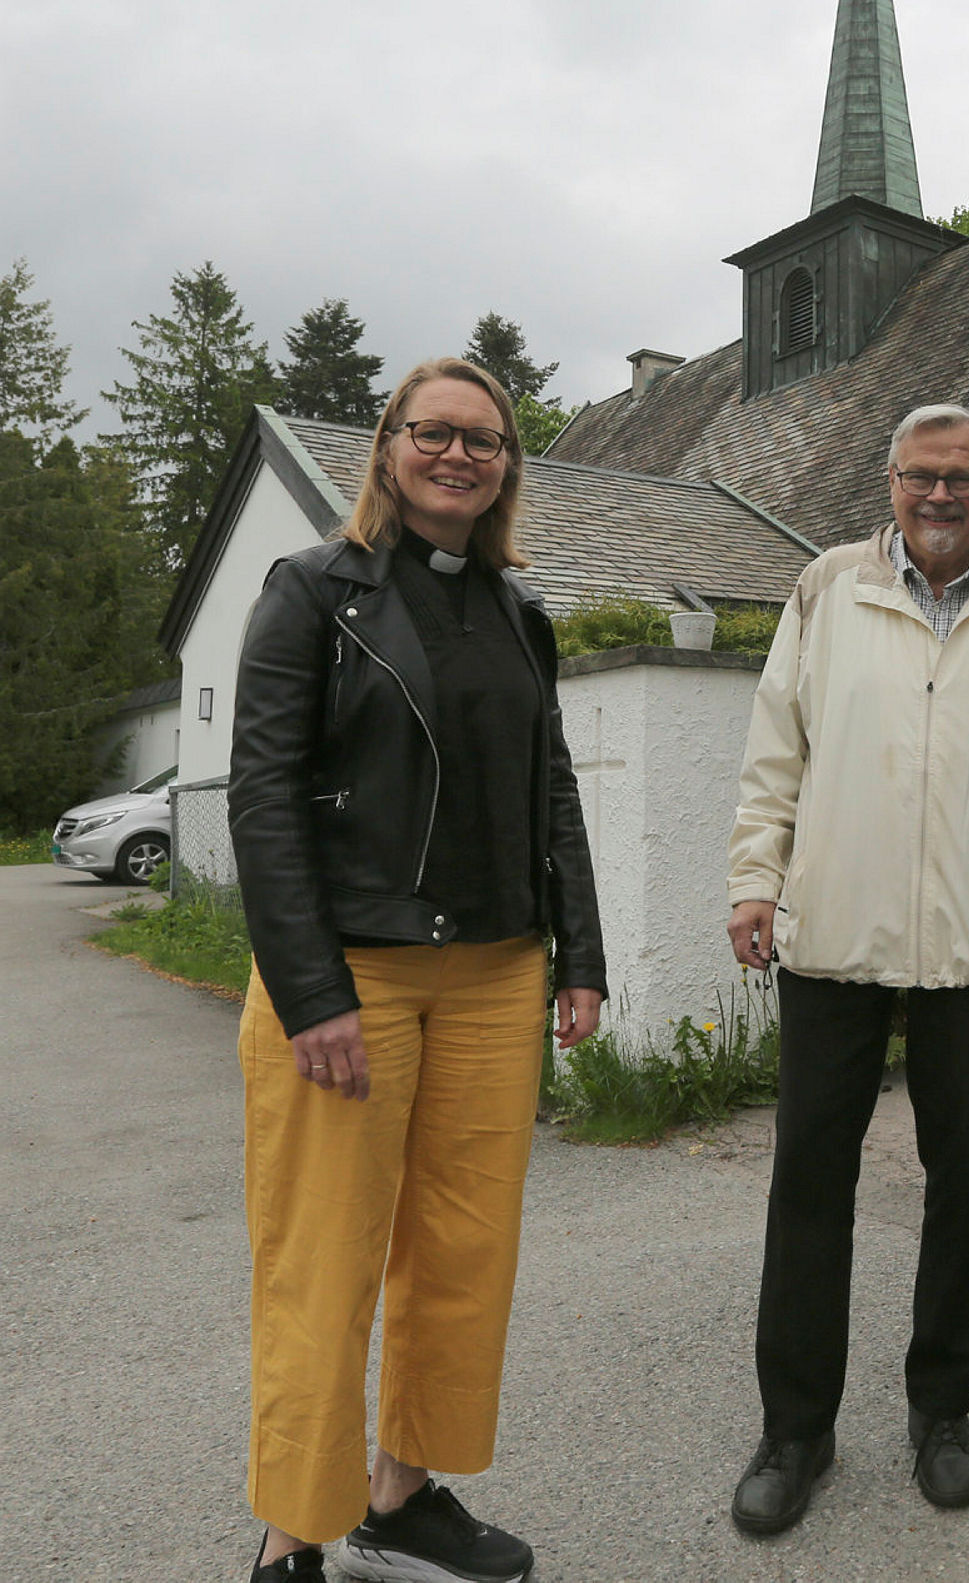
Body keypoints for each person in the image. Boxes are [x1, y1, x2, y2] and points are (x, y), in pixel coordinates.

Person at [227, 357, 607, 1583]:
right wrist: (310, 990)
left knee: (460, 1250)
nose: (461, 455)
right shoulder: (309, 591)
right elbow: (263, 798)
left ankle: (400, 1493)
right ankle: (295, 1530)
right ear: (388, 447)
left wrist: (577, 956)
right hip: (354, 974)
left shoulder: (517, 610)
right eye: (435, 433)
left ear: (507, 466)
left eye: (486, 440)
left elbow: (551, 790)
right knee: (323, 1258)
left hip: (497, 973)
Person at [723, 402, 969, 1535]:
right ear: (888, 481)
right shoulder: (827, 587)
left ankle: (943, 1410)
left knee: (964, 1182)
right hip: (834, 933)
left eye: (962, 478)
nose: (940, 496)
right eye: (919, 477)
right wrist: (757, 878)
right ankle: (795, 1429)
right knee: (808, 1181)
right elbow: (774, 749)